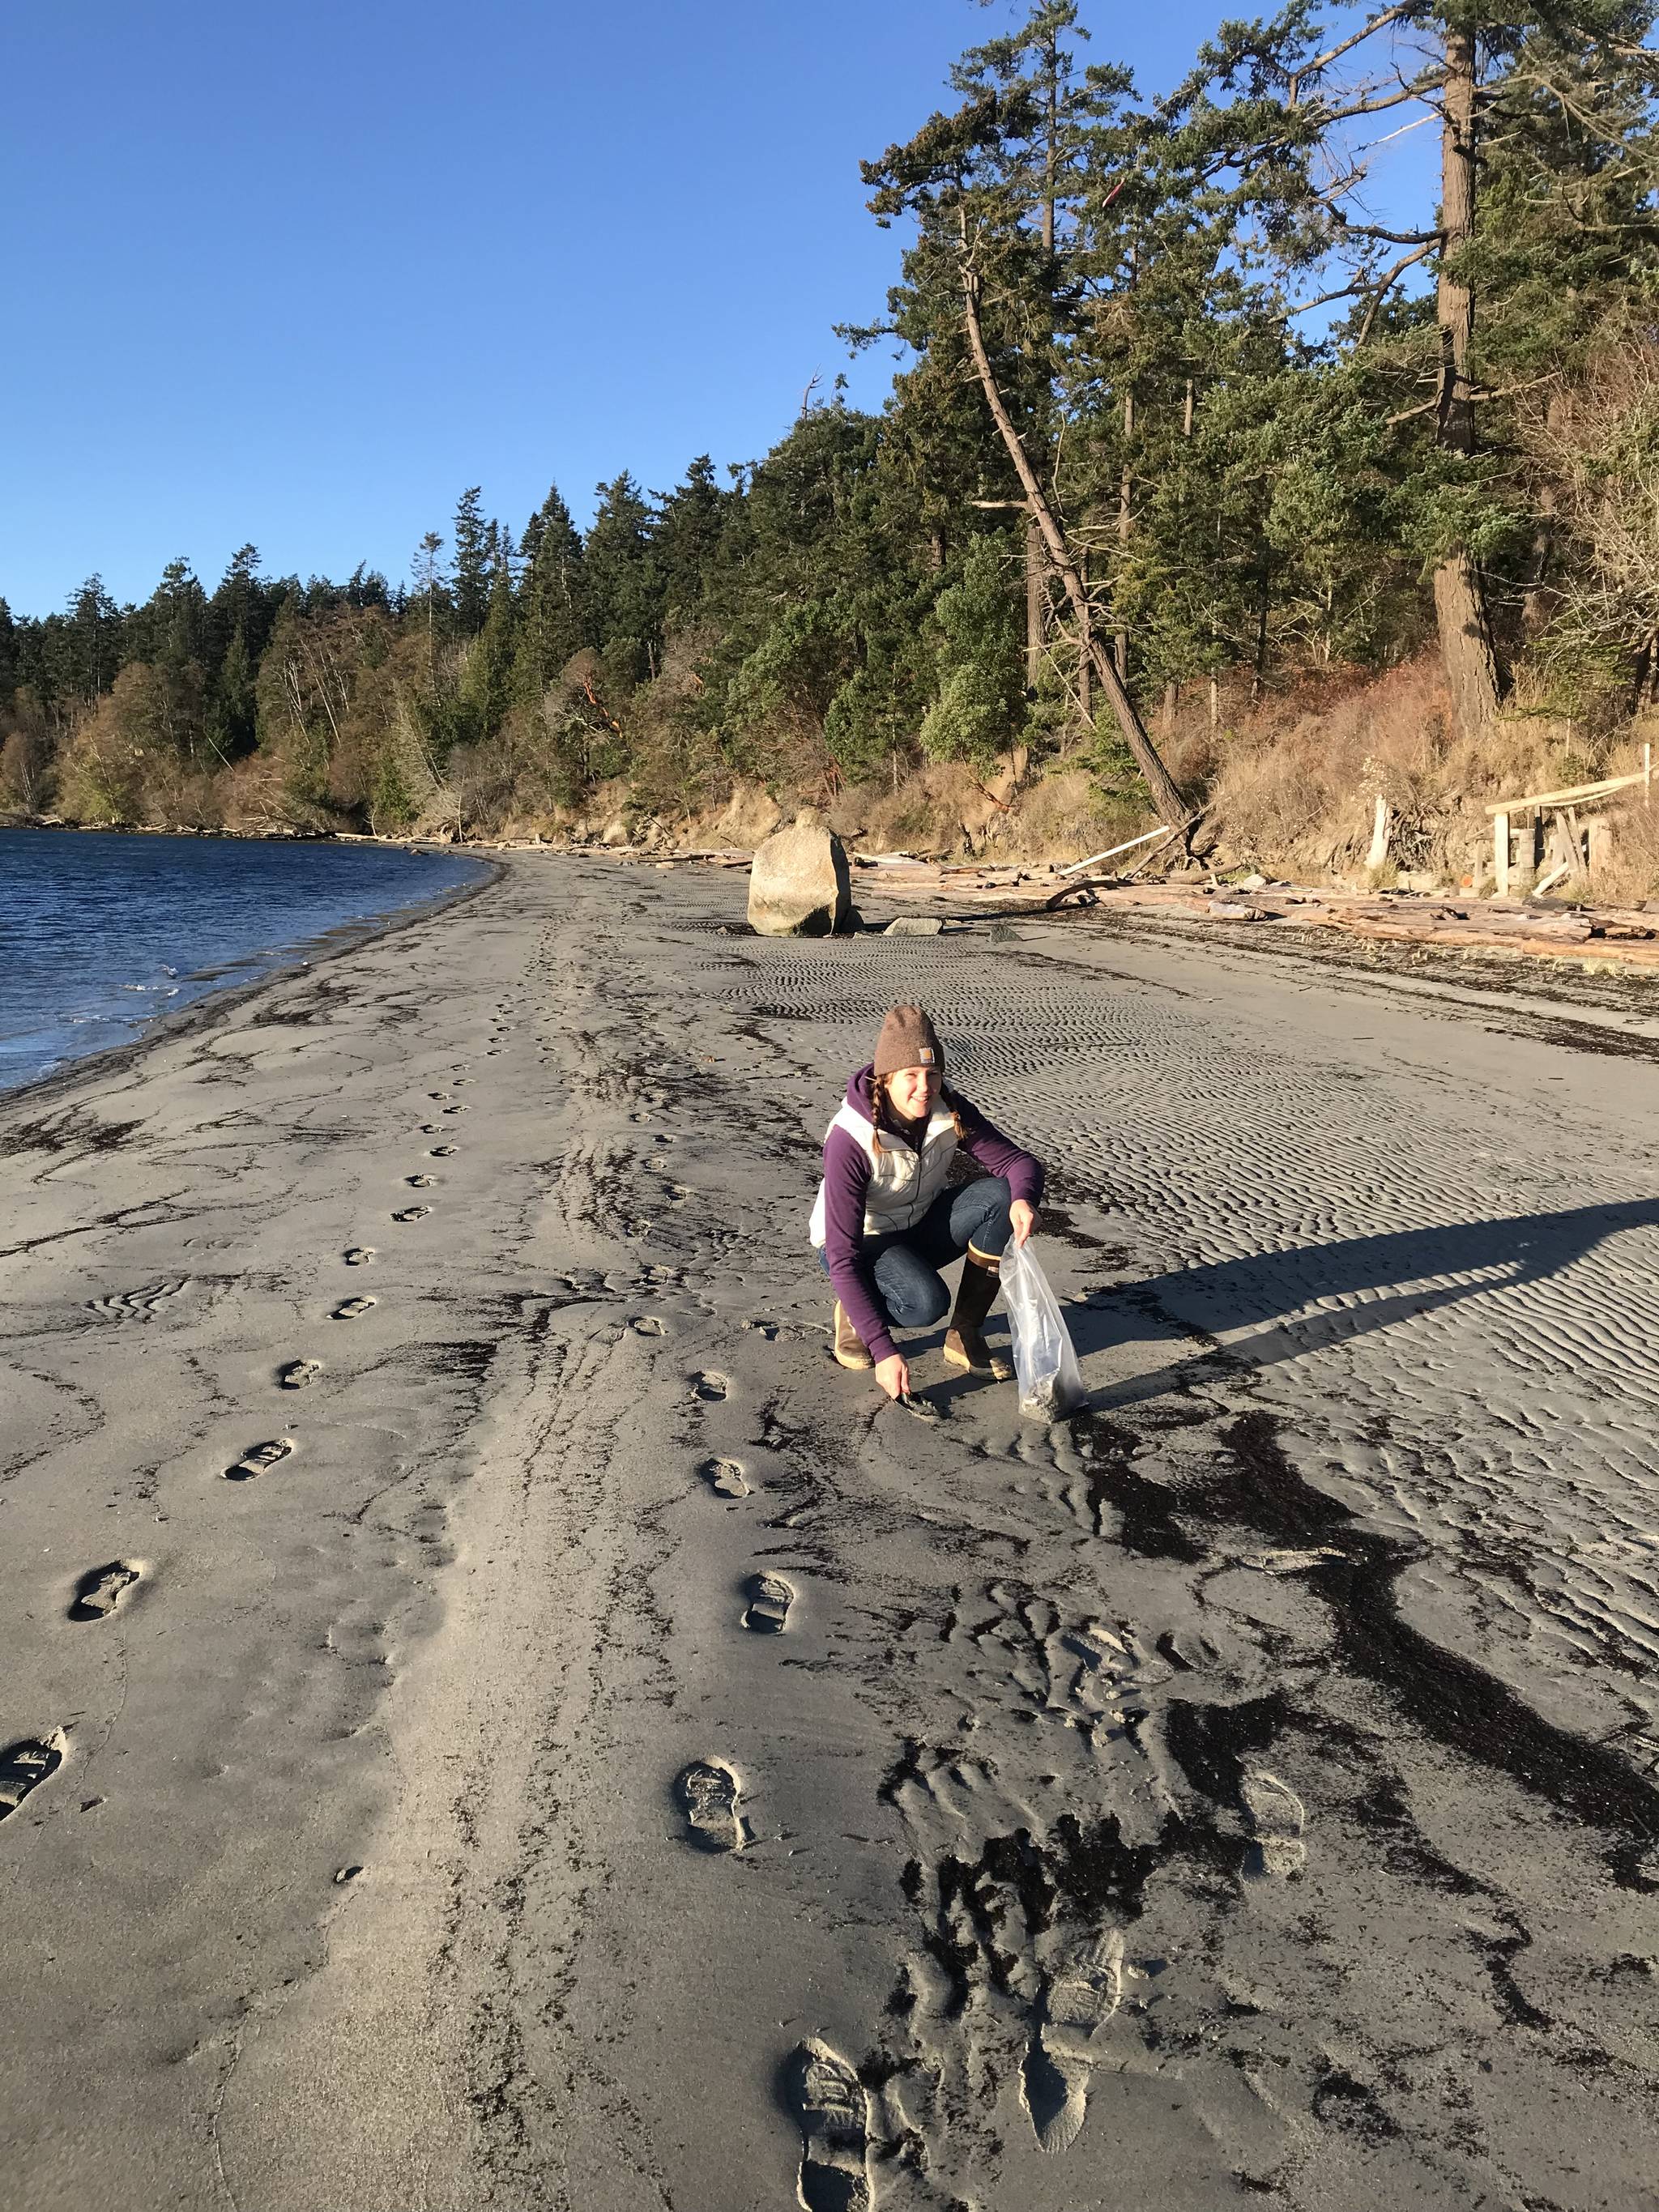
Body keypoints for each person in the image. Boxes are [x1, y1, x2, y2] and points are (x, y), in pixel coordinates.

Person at [809, 1003, 1044, 1400]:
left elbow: (1019, 1163)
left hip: (919, 1224)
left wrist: (1025, 1200)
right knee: (924, 1304)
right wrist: (884, 1351)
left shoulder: (948, 1109)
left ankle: (964, 1332)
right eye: (911, 1076)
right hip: (860, 1243)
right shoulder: (849, 1139)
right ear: (885, 1078)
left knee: (1001, 1196)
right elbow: (842, 1254)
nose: (925, 1087)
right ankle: (855, 1312)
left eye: (933, 1074)